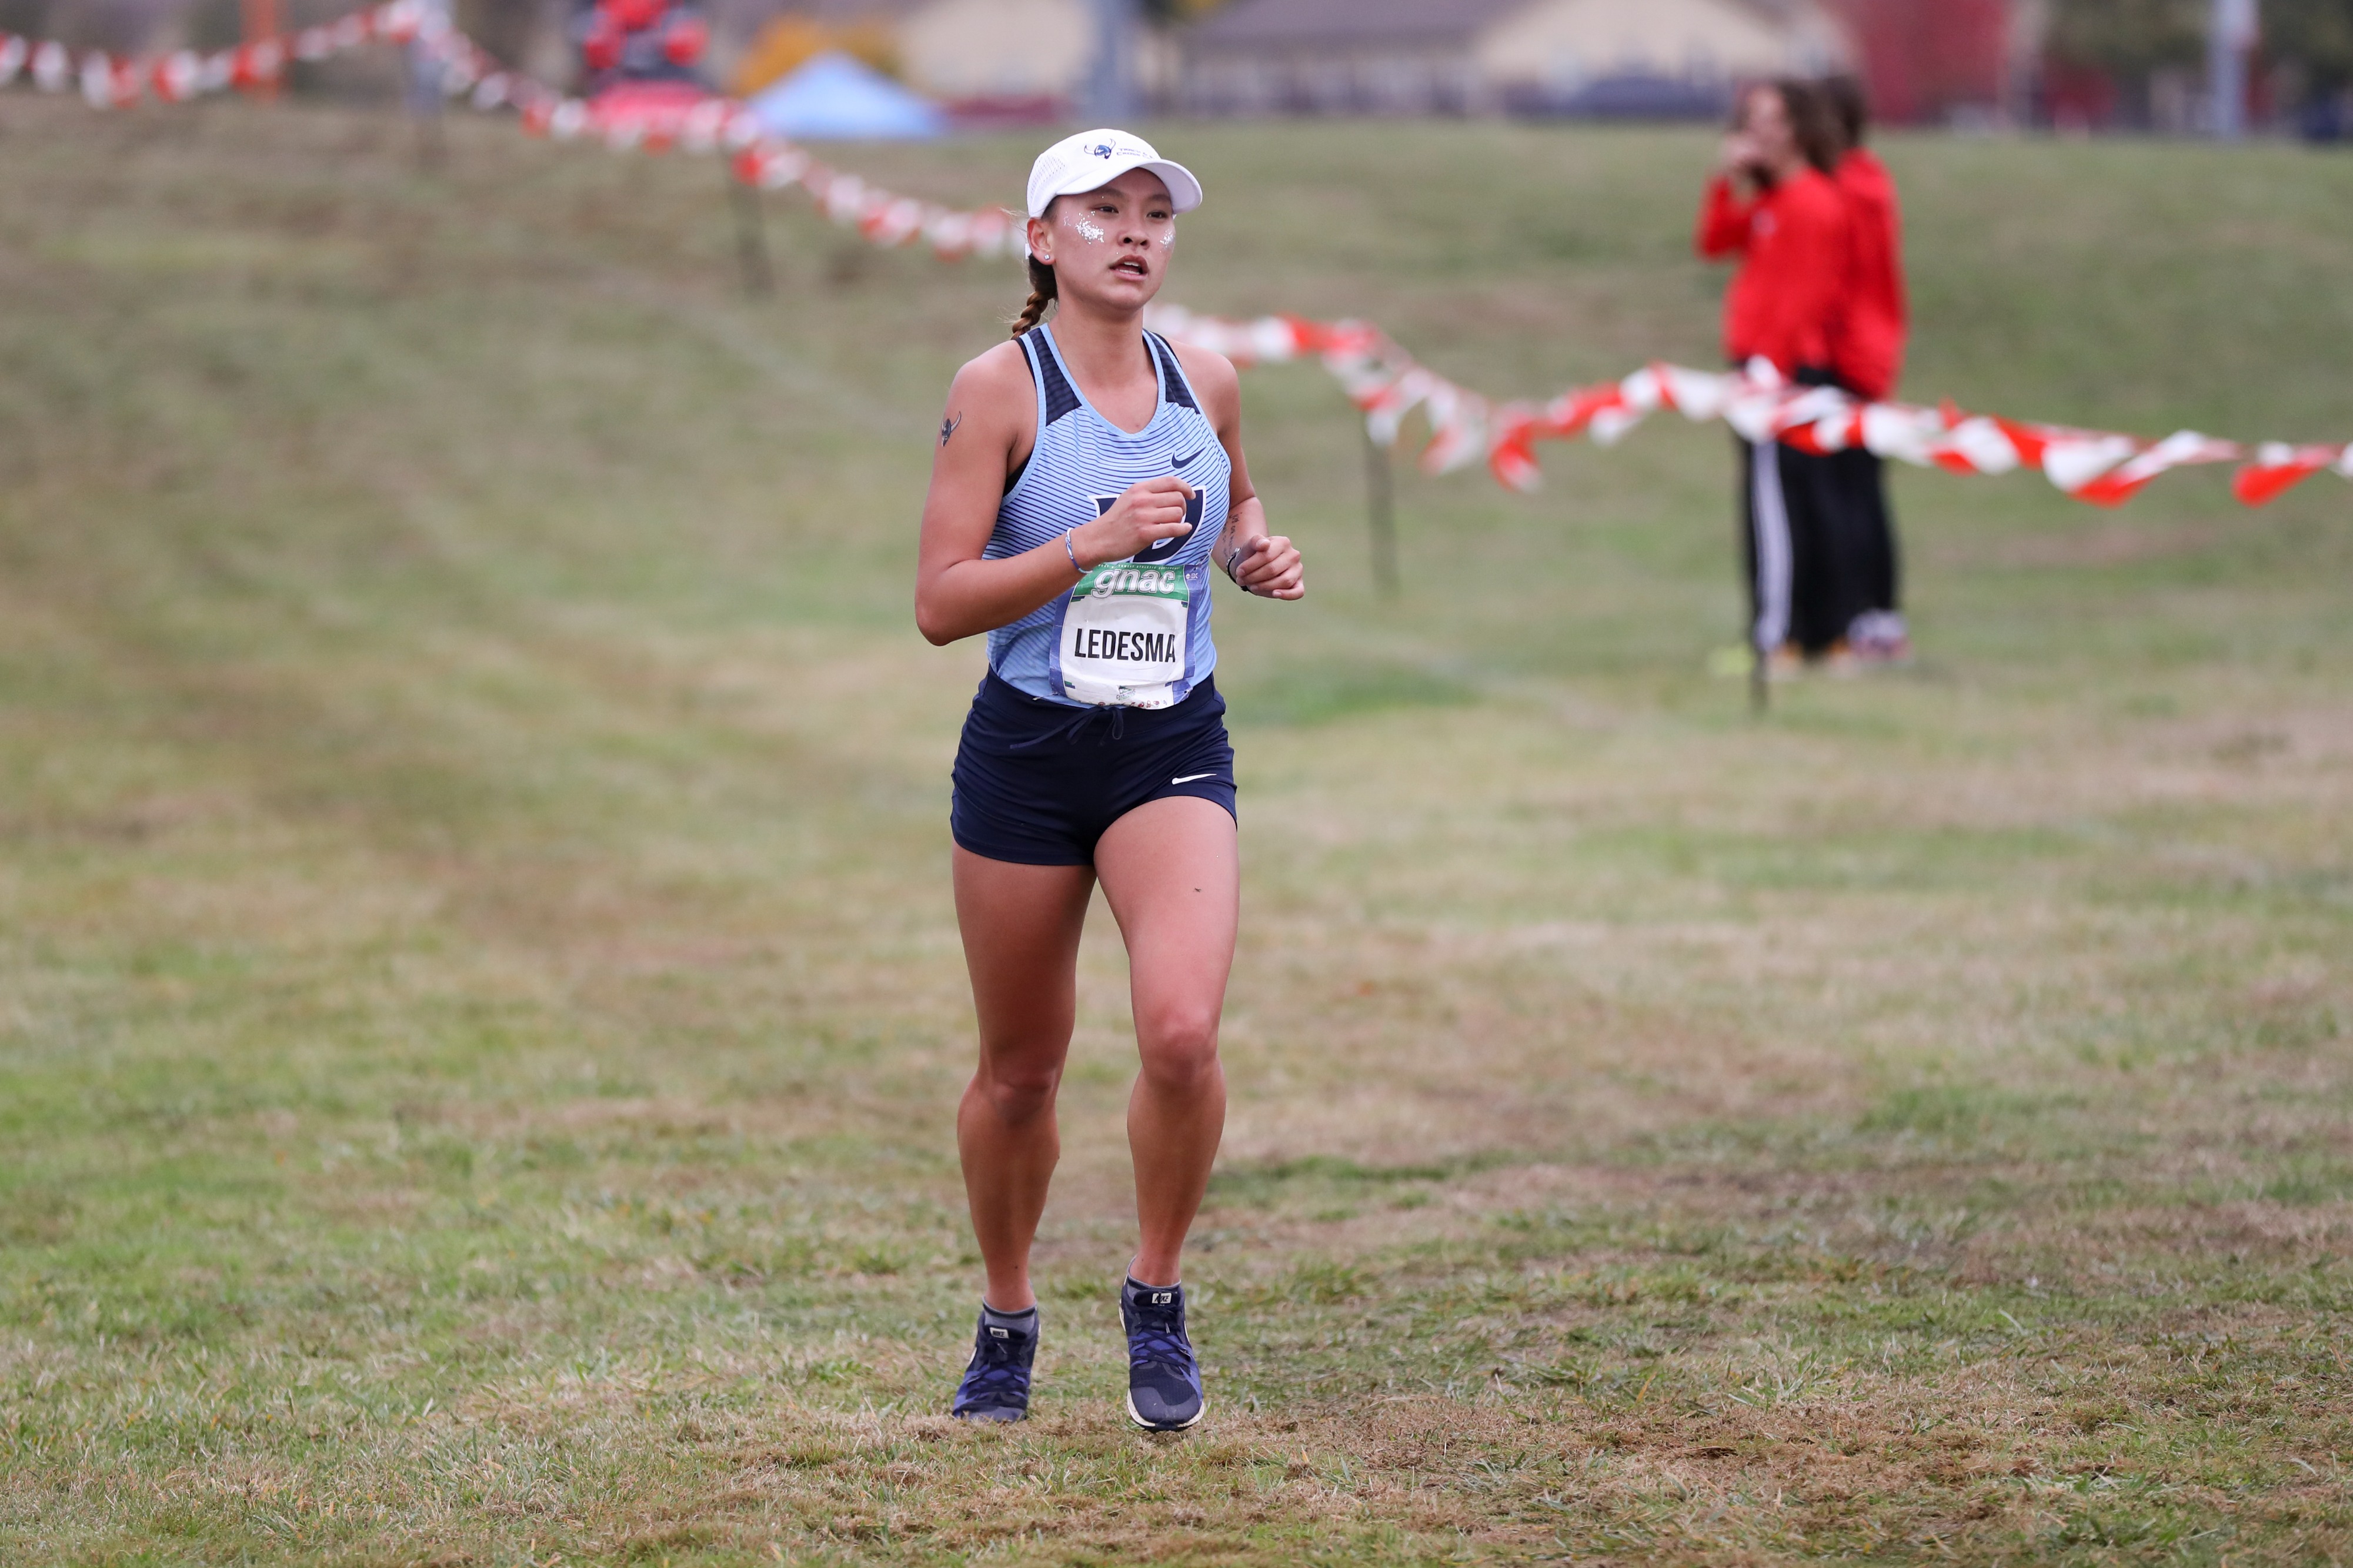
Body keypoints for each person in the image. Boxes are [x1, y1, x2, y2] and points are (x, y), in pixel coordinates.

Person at [914, 130, 1304, 1430]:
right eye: (1101, 211)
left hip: (1166, 743)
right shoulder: (997, 389)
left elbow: (1236, 503)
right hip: (1027, 755)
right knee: (1020, 1072)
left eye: (1153, 213)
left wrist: (1253, 553)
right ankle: (1005, 1320)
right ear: (1041, 239)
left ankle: (1157, 1293)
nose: (1133, 232)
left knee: (1182, 1034)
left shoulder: (1207, 379)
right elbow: (939, 603)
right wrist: (1085, 542)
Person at [1696, 78, 1865, 666]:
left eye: (1770, 120)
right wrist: (1727, 181)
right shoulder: (1771, 200)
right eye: (1750, 120)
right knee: (1796, 503)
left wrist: (1770, 372)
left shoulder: (1812, 201)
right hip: (1767, 369)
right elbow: (1713, 242)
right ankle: (1819, 634)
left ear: (1798, 128)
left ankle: (1780, 637)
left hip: (1783, 374)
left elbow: (1807, 298)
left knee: (1780, 508)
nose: (1757, 132)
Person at [1821, 73, 1910, 663]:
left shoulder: (1847, 189)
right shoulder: (1867, 180)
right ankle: (1875, 618)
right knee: (1861, 491)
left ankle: (1866, 620)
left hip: (1848, 356)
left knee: (1850, 495)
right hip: (1869, 352)